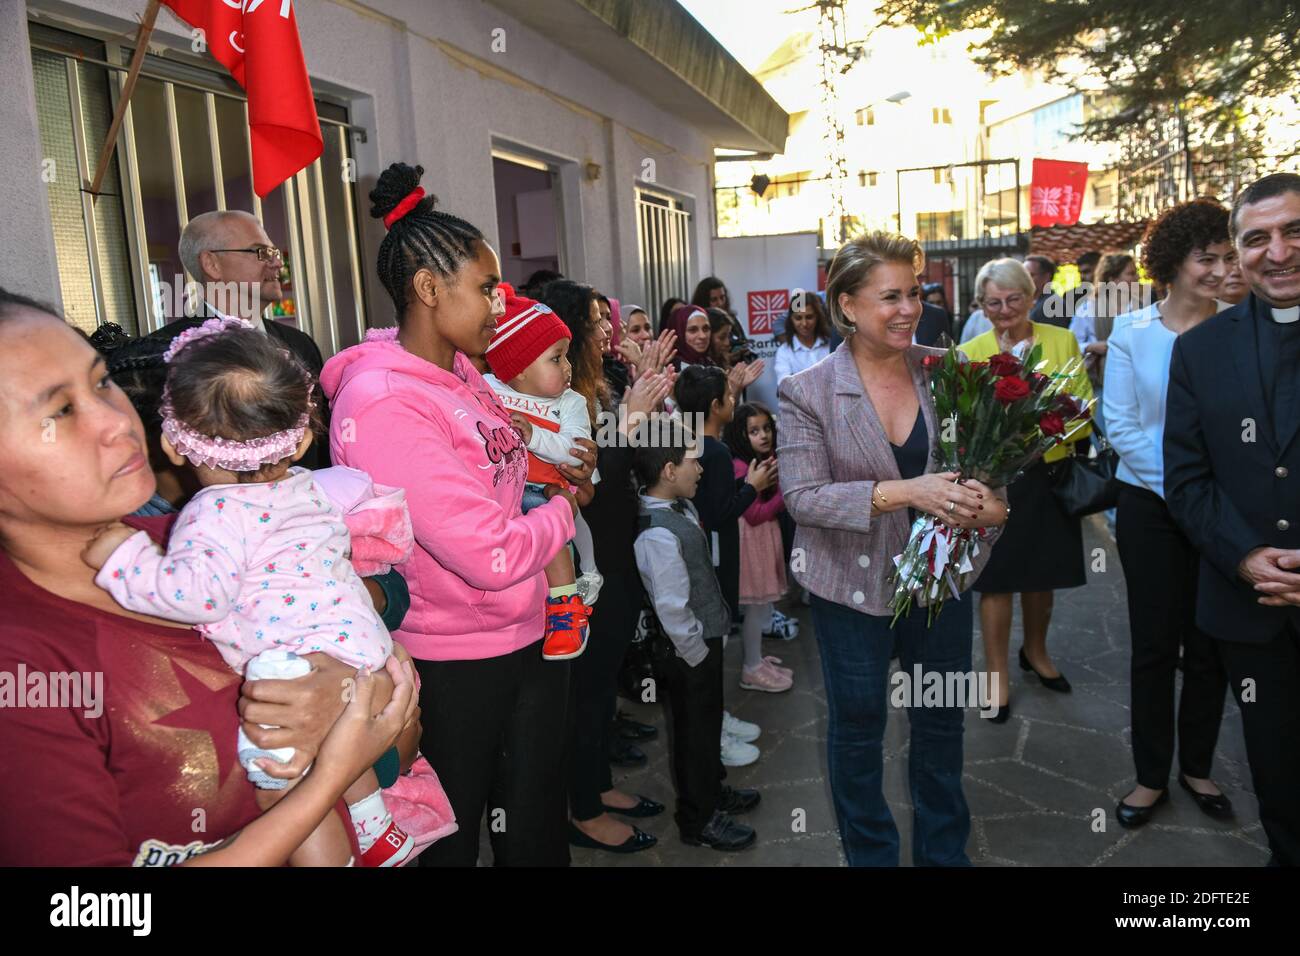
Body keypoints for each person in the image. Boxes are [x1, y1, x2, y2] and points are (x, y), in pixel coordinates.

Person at [0, 288, 417, 865]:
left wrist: (347, 692)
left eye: (101, 383)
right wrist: (332, 772)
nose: (117, 423)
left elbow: (401, 729)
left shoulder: (186, 541)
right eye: (60, 411)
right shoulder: (23, 666)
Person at [322, 162, 593, 866]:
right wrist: (564, 508)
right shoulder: (385, 402)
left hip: (520, 631)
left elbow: (503, 466)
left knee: (532, 823)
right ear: (427, 288)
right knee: (453, 837)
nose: (500, 308)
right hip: (458, 661)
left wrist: (558, 468)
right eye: (485, 291)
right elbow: (490, 553)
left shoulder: (461, 373)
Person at [779, 232, 1007, 866]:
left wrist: (994, 509)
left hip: (941, 588)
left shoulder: (949, 369)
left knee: (941, 726)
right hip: (848, 592)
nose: (909, 308)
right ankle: (872, 856)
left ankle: (944, 855)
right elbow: (804, 498)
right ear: (847, 305)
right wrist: (909, 491)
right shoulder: (808, 391)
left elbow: (986, 472)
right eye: (890, 297)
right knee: (857, 730)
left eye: (914, 293)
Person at [1164, 173, 1300, 866]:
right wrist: (1246, 557)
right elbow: (1187, 481)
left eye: (1293, 231)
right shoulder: (1199, 350)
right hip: (1251, 610)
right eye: (1257, 239)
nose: (1277, 252)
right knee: (1279, 776)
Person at [1104, 199, 1236, 829]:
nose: (1218, 269)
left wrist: (1207, 502)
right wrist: (1179, 492)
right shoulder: (1130, 333)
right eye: (1205, 257)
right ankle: (1151, 775)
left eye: (1227, 257)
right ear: (1172, 263)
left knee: (1209, 642)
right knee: (1155, 645)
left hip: (1222, 510)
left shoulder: (1241, 328)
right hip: (1149, 506)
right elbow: (1121, 425)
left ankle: (1198, 766)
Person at [961, 257, 1091, 721]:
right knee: (996, 581)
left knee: (1042, 576)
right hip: (996, 484)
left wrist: (1043, 435)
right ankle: (996, 673)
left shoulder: (1062, 340)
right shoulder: (972, 349)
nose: (1004, 309)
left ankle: (1036, 652)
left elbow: (1080, 414)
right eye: (993, 302)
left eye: (1013, 299)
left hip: (1048, 478)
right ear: (981, 305)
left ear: (1031, 297)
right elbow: (963, 420)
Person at [633, 431, 761, 851]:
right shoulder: (655, 533)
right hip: (689, 650)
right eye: (693, 461)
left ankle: (712, 790)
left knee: (707, 726)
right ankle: (698, 819)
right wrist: (696, 652)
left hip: (703, 640)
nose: (701, 468)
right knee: (694, 736)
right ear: (669, 471)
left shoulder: (681, 506)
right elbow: (671, 608)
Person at [566, 366, 676, 854]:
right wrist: (627, 423)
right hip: (586, 577)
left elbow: (636, 464)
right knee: (584, 700)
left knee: (600, 695)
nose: (602, 331)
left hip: (615, 563)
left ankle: (598, 786)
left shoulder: (589, 397)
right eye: (592, 323)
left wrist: (638, 415)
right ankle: (583, 811)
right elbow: (587, 491)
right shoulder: (540, 406)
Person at [158, 209, 330, 468]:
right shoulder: (167, 353)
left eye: (273, 253)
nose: (277, 264)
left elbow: (322, 446)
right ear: (212, 264)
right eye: (260, 252)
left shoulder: (300, 344)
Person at [484, 284, 601, 660]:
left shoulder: (571, 403)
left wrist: (533, 436)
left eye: (567, 357)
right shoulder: (487, 391)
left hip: (544, 490)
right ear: (516, 369)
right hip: (497, 495)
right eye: (556, 359)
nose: (569, 368)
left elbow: (574, 450)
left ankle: (566, 609)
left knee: (547, 517)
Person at [674, 363, 773, 766]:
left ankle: (717, 718)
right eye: (729, 397)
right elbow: (717, 514)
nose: (734, 402)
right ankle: (711, 735)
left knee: (716, 647)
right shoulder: (712, 452)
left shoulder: (694, 441)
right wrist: (752, 487)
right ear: (716, 406)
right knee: (715, 644)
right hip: (714, 560)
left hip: (704, 559)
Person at [724, 402, 796, 691]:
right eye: (754, 431)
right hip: (752, 542)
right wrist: (785, 491)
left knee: (761, 606)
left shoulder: (758, 460)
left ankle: (756, 658)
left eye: (767, 428)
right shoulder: (742, 466)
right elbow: (754, 515)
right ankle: (751, 668)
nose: (764, 435)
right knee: (754, 608)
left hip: (762, 540)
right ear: (740, 435)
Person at [774, 295, 833, 386]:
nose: (804, 324)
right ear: (791, 319)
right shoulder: (784, 351)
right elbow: (785, 386)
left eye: (809, 317)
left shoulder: (832, 345)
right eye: (798, 318)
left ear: (818, 318)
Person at [1026, 254, 1073, 329]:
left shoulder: (1054, 305)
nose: (1025, 279)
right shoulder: (1031, 302)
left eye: (1031, 275)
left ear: (1046, 277)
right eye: (1023, 275)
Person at [667, 303, 716, 370]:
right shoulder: (673, 370)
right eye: (693, 330)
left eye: (706, 329)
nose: (703, 336)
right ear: (679, 334)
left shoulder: (708, 362)